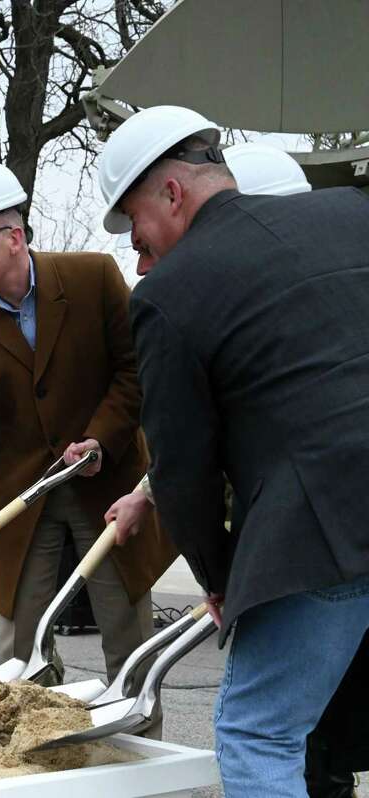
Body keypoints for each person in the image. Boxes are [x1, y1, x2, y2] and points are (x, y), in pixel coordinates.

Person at [97, 105, 369, 797]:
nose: (138, 249)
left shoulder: (172, 293)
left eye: (135, 223)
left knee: (259, 733)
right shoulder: (351, 214)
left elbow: (183, 467)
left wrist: (219, 577)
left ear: (173, 194)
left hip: (324, 532)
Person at [0, 158, 177, 689]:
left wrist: (101, 438)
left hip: (107, 483)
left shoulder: (94, 278)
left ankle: (135, 751)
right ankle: (26, 759)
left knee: (126, 635)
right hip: (22, 494)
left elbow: (136, 369)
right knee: (17, 645)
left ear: (14, 236)